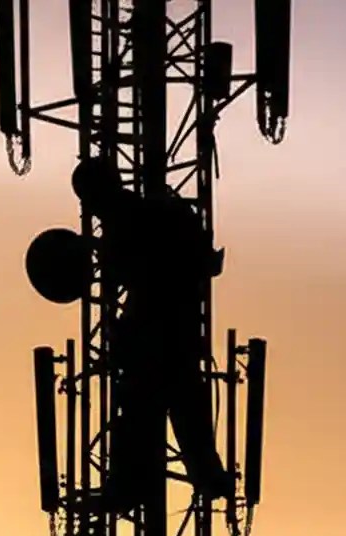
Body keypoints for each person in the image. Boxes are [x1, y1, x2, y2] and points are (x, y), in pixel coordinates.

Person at [71, 157, 233, 508]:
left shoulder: (126, 223)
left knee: (141, 411)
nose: (88, 209)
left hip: (157, 335)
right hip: (178, 332)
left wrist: (123, 328)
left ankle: (130, 487)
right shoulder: (148, 215)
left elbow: (135, 280)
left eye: (88, 199)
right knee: (184, 405)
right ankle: (207, 476)